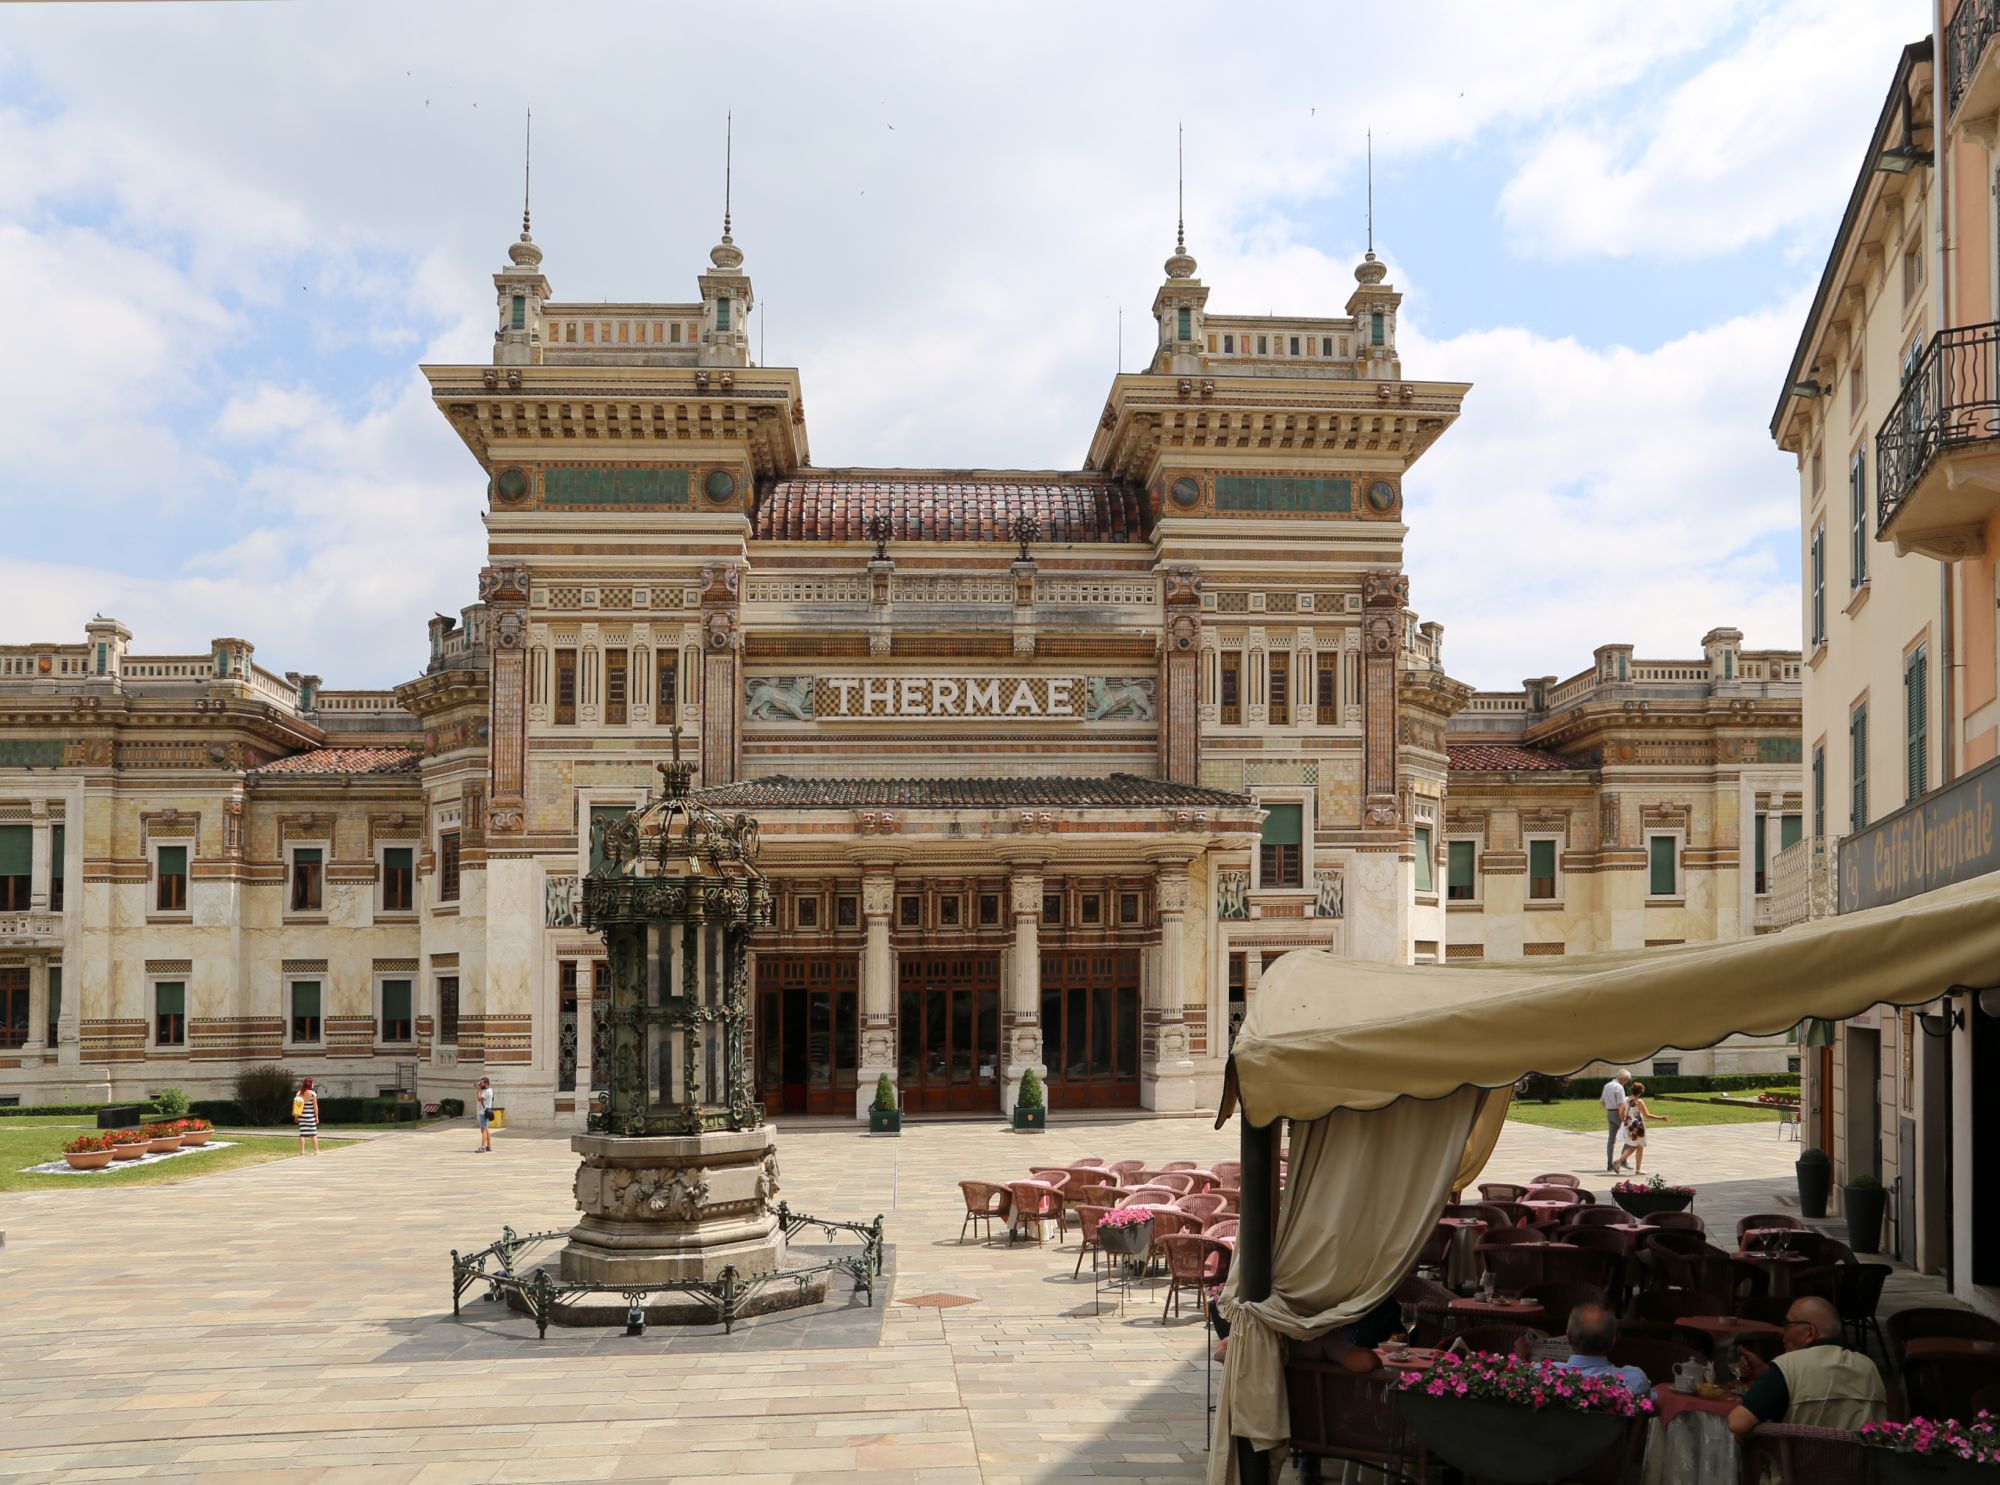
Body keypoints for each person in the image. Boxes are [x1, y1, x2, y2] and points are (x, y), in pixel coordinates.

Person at [1727, 1296, 1887, 1437]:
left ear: (1809, 1333)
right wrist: (1766, 1373)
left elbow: (1737, 1423)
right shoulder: (1868, 1366)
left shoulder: (1788, 1365)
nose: (1783, 1332)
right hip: (1858, 1462)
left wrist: (1775, 1375)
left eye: (1787, 1324)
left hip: (1798, 1462)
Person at [1515, 1304, 1652, 1396]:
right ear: (1613, 1342)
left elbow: (1517, 1379)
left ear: (1569, 1338)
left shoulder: (1541, 1374)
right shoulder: (1634, 1379)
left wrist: (1520, 1358)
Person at [1290, 1294, 1405, 1373]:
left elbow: (1399, 1332)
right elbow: (1366, 1361)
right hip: (1349, 1382)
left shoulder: (1386, 1303)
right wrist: (1376, 1361)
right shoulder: (1322, 1334)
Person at [1613, 1081, 1669, 1175]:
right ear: (1640, 1092)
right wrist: (1661, 1118)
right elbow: (1647, 1115)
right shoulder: (1639, 1102)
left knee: (1633, 1146)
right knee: (1639, 1147)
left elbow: (1621, 1112)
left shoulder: (1626, 1100)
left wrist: (1624, 1120)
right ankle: (1637, 1169)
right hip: (1638, 1126)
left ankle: (1619, 1161)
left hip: (1630, 1126)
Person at [1600, 1069, 1631, 1173]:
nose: (1626, 1082)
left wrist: (1609, 1108)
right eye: (1626, 1080)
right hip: (1618, 1113)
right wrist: (1623, 1117)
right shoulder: (1619, 1087)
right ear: (1623, 1078)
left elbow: (1602, 1102)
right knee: (1630, 1136)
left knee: (1611, 1139)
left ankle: (1609, 1164)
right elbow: (1620, 1104)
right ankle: (1622, 1160)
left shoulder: (1607, 1085)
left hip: (1609, 1112)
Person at [296, 1076, 320, 1156]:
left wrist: (296, 1116)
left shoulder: (299, 1093)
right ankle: (316, 1150)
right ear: (310, 1084)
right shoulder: (313, 1094)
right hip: (310, 1116)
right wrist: (317, 1117)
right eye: (313, 1083)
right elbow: (315, 1106)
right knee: (313, 1134)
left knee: (302, 1134)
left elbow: (296, 1106)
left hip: (302, 1116)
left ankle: (302, 1151)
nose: (314, 1084)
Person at [475, 1077, 495, 1153]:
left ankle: (483, 1147)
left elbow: (479, 1099)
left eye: (481, 1083)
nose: (480, 1084)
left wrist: (478, 1090)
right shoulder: (488, 1090)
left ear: (486, 1083)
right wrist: (479, 1088)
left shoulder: (487, 1092)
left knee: (483, 1130)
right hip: (485, 1111)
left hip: (484, 1112)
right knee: (486, 1129)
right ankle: (488, 1146)